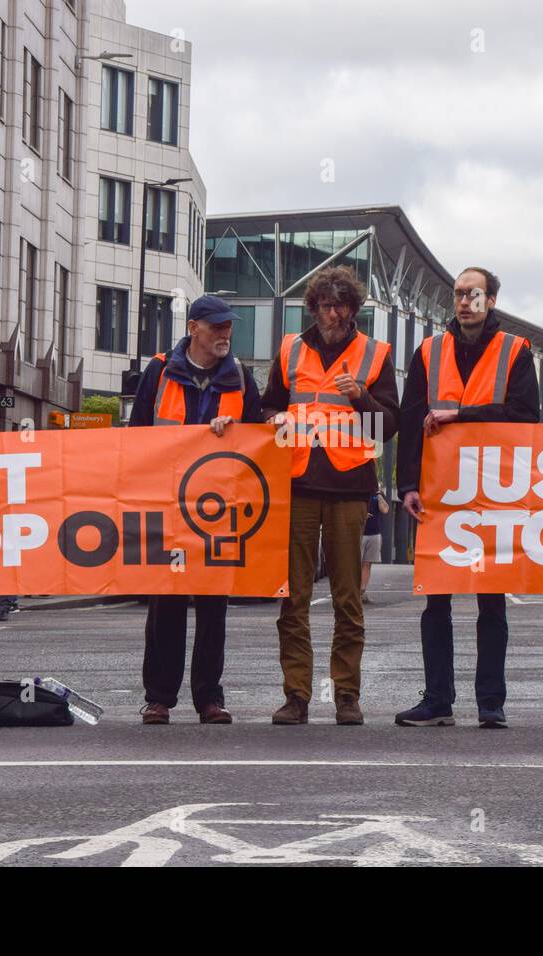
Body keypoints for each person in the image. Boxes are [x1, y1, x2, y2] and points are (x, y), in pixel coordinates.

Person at [394, 266, 540, 729]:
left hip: (495, 491)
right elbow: (409, 420)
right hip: (439, 491)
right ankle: (438, 700)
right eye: (458, 294)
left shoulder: (515, 351)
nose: (463, 301)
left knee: (491, 600)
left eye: (473, 294)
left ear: (490, 301)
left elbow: (525, 417)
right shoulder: (429, 351)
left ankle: (490, 702)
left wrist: (461, 414)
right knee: (436, 599)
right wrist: (407, 486)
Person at [262, 266, 399, 725]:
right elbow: (269, 404)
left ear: (354, 309)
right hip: (297, 481)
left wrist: (361, 395)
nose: (333, 313)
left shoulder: (375, 355)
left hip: (348, 486)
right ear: (314, 306)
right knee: (294, 597)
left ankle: (346, 695)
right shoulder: (290, 349)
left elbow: (389, 426)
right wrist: (274, 419)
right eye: (325, 304)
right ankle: (296, 696)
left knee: (348, 598)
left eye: (342, 305)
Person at [130, 295, 264, 725]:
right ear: (194, 327)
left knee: (213, 605)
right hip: (169, 506)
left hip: (219, 509)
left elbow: (257, 441)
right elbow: (137, 437)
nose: (226, 333)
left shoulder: (241, 378)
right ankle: (159, 697)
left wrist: (236, 432)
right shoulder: (159, 370)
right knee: (165, 604)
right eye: (217, 326)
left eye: (229, 326)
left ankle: (210, 697)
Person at [360, 492, 389, 604]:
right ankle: (354, 592)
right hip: (359, 533)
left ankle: (362, 591)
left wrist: (380, 495)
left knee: (367, 564)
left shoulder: (377, 496)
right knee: (355, 564)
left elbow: (385, 509)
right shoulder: (358, 492)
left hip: (374, 533)